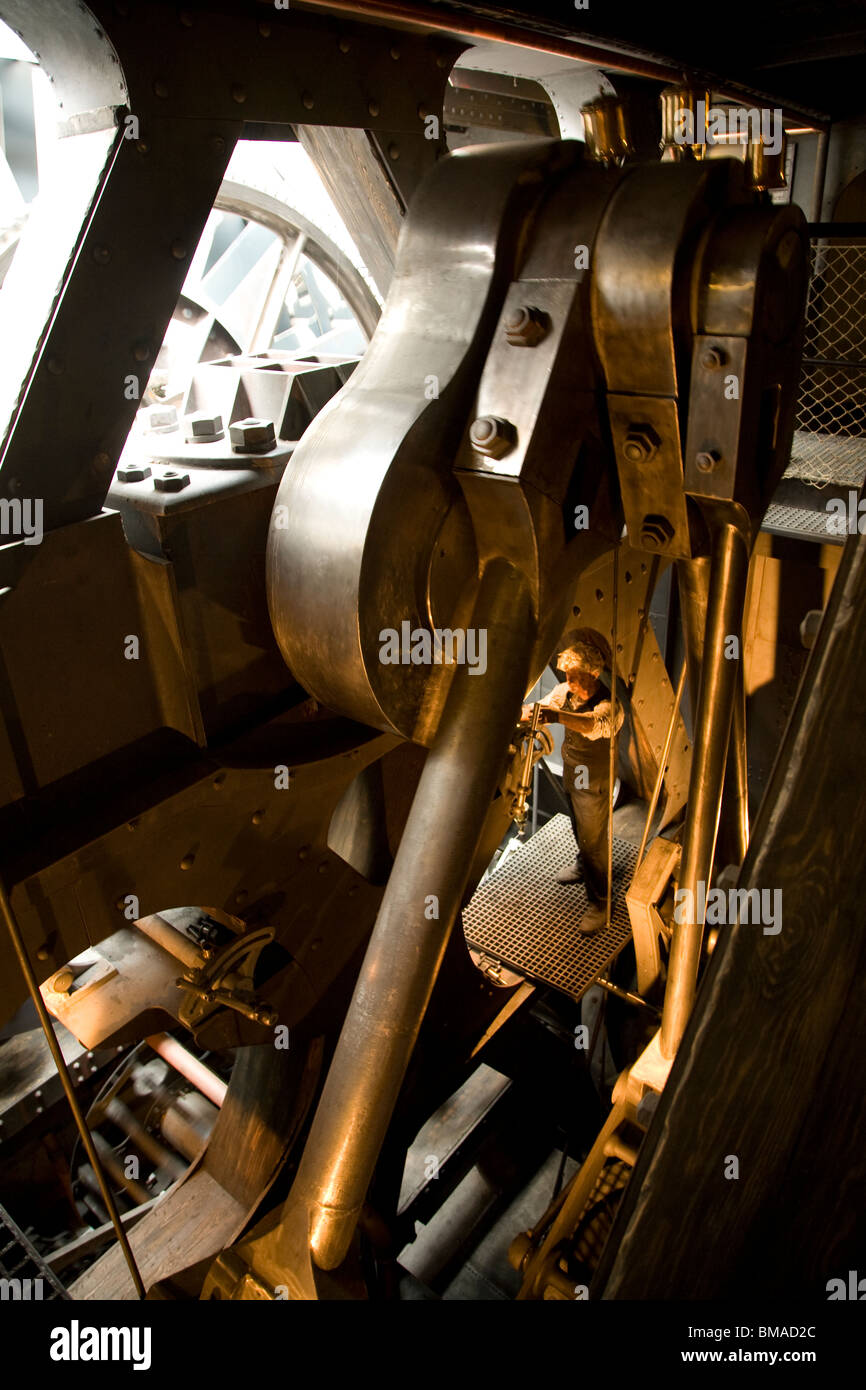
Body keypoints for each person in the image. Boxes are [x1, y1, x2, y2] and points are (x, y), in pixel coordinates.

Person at [521, 630, 624, 936]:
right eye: (567, 676)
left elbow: (594, 726)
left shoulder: (609, 705)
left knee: (594, 841)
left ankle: (601, 903)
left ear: (595, 673)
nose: (571, 683)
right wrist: (522, 714)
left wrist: (555, 717)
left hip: (594, 781)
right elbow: (542, 708)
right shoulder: (565, 692)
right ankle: (583, 867)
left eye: (577, 677)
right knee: (579, 828)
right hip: (573, 773)